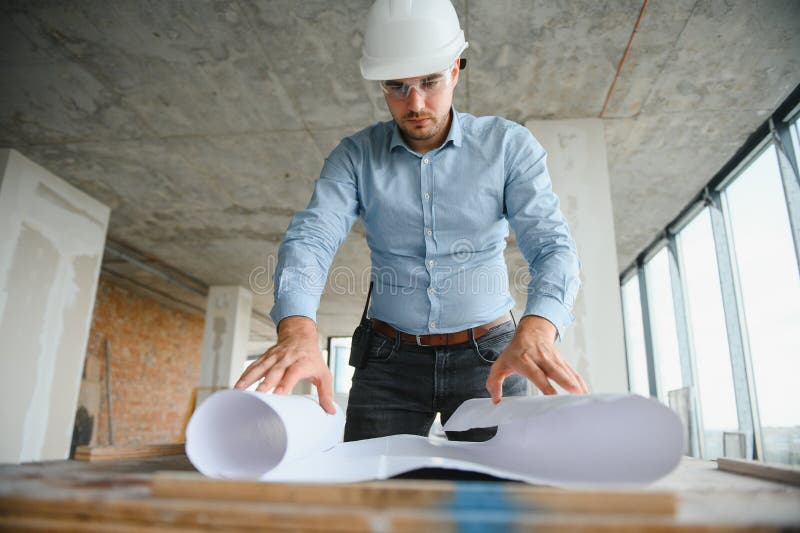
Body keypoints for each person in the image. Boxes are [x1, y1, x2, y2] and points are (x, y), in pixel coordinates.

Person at [235, 0, 588, 441]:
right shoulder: (355, 155)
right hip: (388, 363)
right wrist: (297, 326)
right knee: (376, 498)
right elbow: (312, 238)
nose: (415, 103)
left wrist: (540, 325)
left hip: (492, 357)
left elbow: (552, 246)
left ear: (456, 70)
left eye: (430, 81)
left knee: (499, 500)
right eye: (396, 86)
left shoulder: (508, 146)